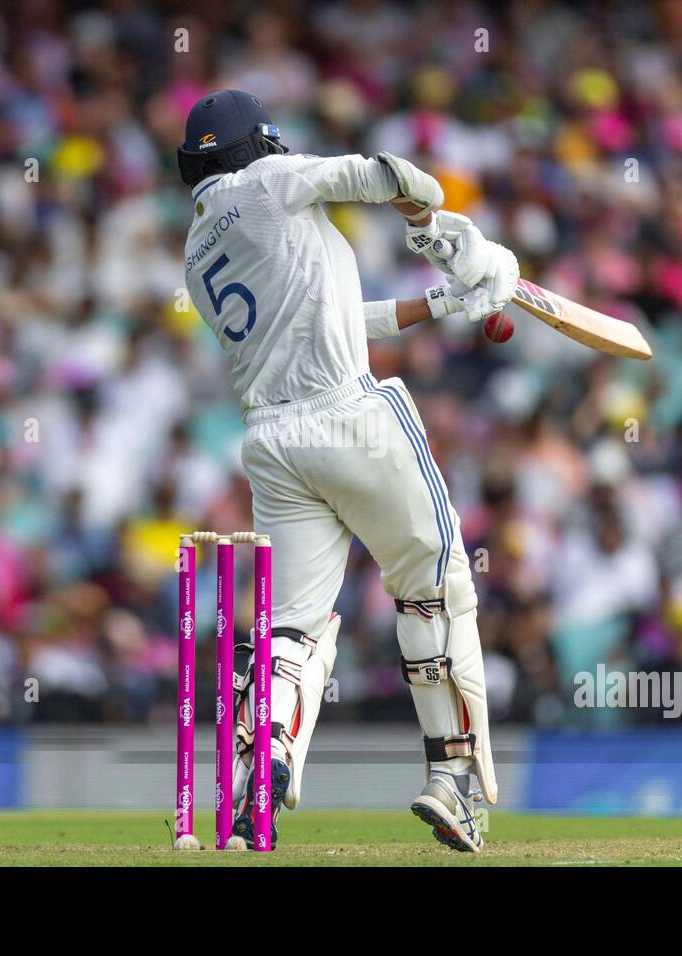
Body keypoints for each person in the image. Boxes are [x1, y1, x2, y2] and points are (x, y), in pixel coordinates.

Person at [177, 90, 517, 851]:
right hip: (351, 418)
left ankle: (259, 765)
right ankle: (451, 781)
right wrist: (448, 237)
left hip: (273, 442)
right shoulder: (271, 181)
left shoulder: (199, 254)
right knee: (433, 584)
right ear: (260, 145)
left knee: (292, 626)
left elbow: (333, 316)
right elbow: (394, 173)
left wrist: (440, 301)